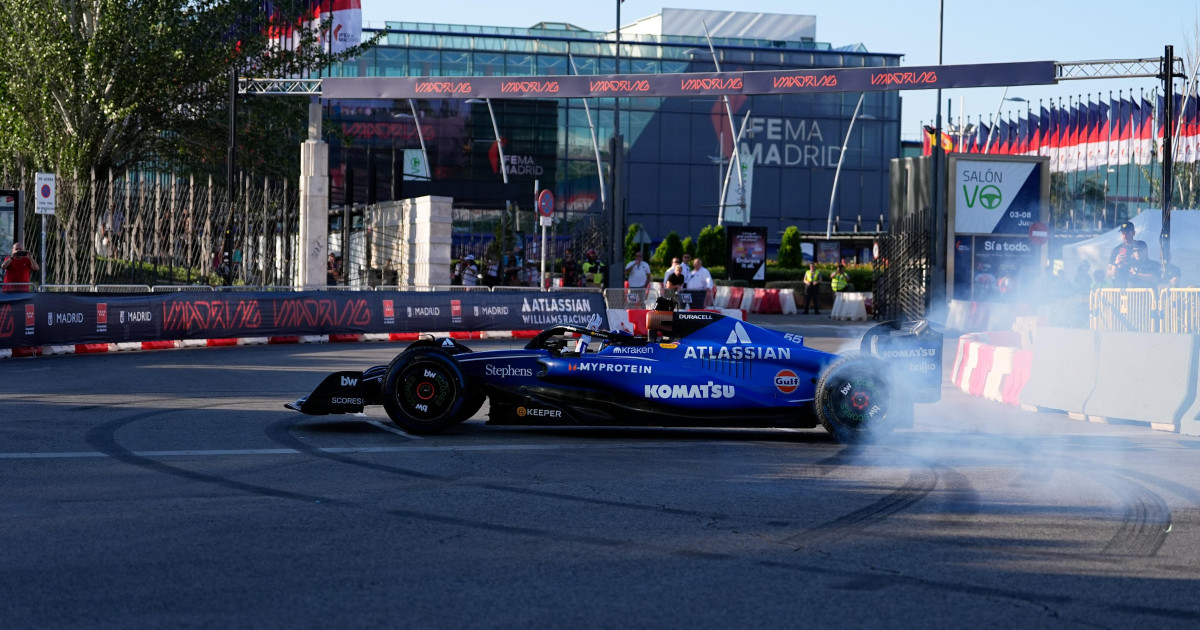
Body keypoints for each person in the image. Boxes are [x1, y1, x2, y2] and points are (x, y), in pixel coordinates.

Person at [1108, 221, 1149, 286]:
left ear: (1133, 233)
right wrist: (1115, 263)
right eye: (1123, 233)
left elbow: (1147, 263)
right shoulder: (1116, 250)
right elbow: (1109, 274)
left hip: (1139, 286)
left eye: (1127, 233)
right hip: (1120, 287)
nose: (1125, 235)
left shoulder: (1140, 245)